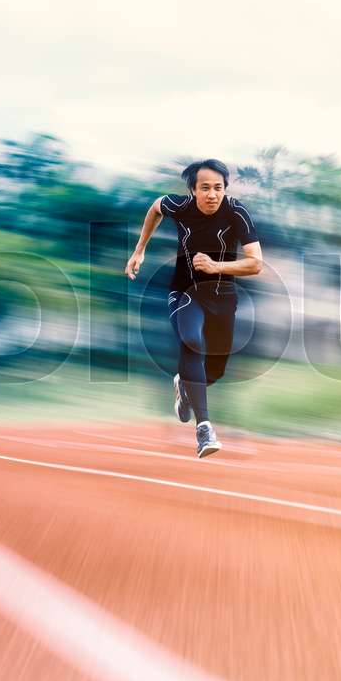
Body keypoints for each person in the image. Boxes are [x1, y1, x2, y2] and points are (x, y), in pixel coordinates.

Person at [124, 159, 263, 457]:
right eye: (205, 188)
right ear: (193, 190)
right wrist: (139, 251)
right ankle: (204, 429)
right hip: (185, 293)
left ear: (225, 189)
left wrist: (216, 266)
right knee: (192, 342)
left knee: (214, 370)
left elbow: (256, 263)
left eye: (218, 188)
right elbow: (155, 207)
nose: (212, 194)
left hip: (223, 298)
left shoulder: (236, 212)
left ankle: (183, 385)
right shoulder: (180, 206)